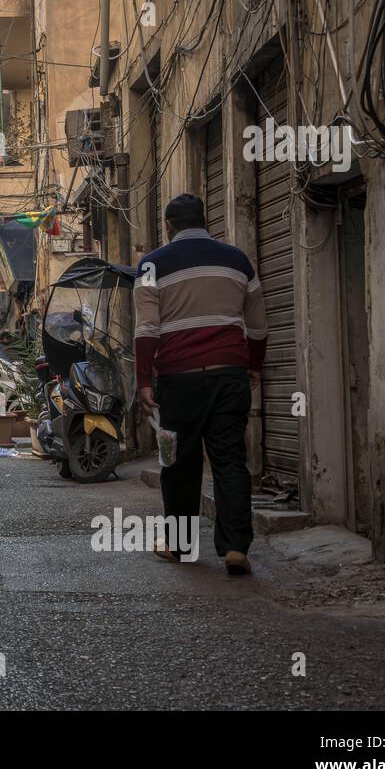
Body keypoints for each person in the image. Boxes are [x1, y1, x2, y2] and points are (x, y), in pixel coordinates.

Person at [135, 193, 267, 576]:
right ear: (205, 221)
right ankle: (236, 548)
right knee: (229, 459)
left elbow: (146, 329)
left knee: (177, 461)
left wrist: (144, 380)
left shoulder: (150, 265)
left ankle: (180, 546)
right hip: (230, 375)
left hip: (178, 379)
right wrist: (254, 366)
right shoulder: (238, 260)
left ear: (168, 227)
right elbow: (258, 324)